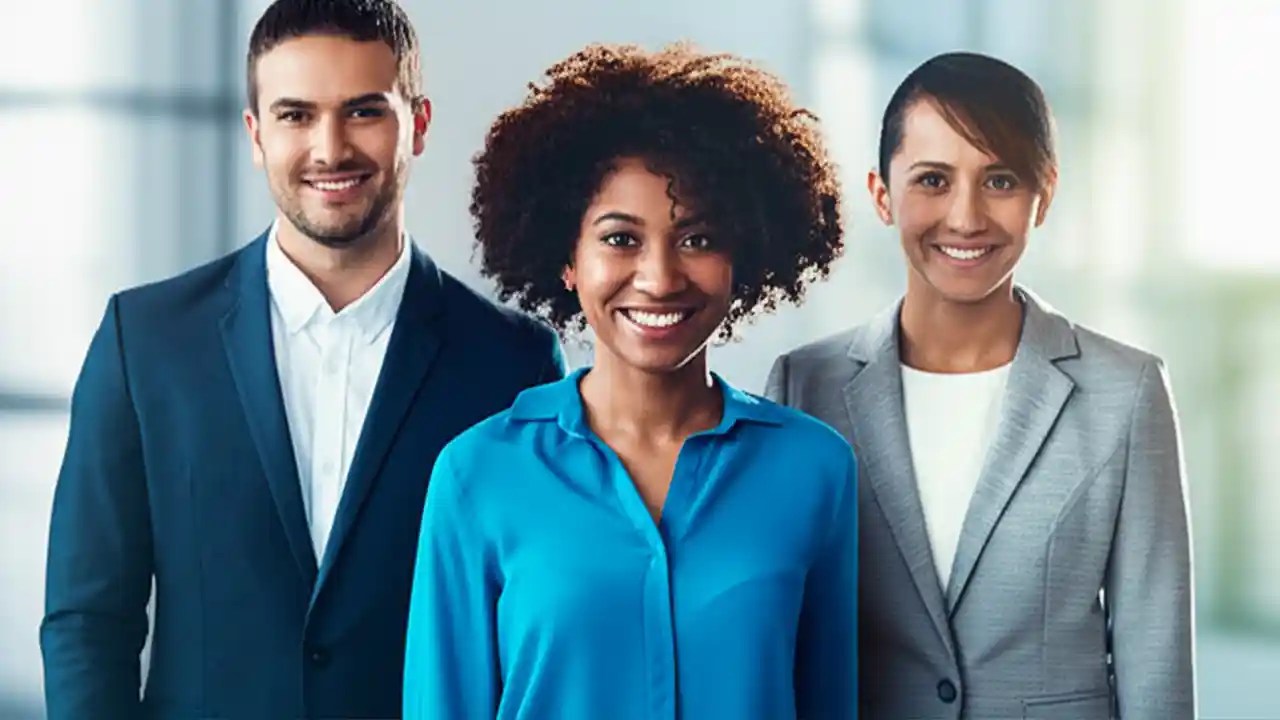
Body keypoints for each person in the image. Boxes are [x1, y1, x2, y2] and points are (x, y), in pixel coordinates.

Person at [40, 1, 564, 718]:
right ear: (256, 134)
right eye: (295, 115)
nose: (330, 148)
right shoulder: (147, 341)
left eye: (363, 112)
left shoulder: (515, 363)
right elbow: (87, 620)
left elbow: (532, 632)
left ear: (419, 123)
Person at [402, 43, 856, 720]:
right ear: (567, 258)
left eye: (698, 238)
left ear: (746, 254)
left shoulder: (815, 470)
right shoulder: (477, 476)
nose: (660, 277)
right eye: (620, 239)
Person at [766, 51, 1195, 719]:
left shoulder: (1126, 391)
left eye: (999, 180)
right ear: (882, 195)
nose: (966, 217)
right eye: (933, 180)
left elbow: (1156, 666)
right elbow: (780, 641)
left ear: (1043, 195)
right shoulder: (806, 386)